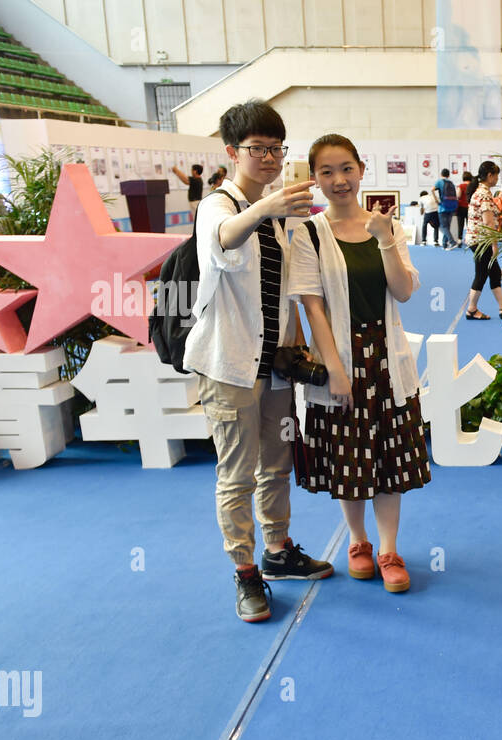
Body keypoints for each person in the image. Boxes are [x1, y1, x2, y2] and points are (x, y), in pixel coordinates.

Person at [182, 99, 333, 623]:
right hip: (227, 366)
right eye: (258, 149)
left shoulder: (278, 213)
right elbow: (225, 240)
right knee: (236, 473)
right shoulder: (218, 208)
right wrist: (266, 209)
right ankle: (246, 575)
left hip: (275, 367)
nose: (269, 158)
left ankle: (278, 550)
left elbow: (292, 289)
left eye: (276, 149)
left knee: (278, 462)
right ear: (232, 152)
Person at [289, 134, 430, 591]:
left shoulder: (387, 226)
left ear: (361, 170)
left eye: (346, 168)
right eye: (327, 172)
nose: (338, 180)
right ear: (315, 179)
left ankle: (389, 549)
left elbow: (404, 291)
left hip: (388, 360)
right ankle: (358, 541)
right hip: (341, 357)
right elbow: (313, 307)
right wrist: (334, 370)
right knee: (349, 457)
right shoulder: (309, 233)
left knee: (390, 457)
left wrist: (385, 239)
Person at [464, 160, 502, 320]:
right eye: (496, 175)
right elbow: (488, 222)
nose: (498, 178)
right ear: (490, 175)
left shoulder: (480, 192)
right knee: (481, 274)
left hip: (477, 239)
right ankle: (471, 309)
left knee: (494, 272)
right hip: (481, 241)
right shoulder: (484, 194)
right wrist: (494, 245)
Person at [433, 168, 459, 248]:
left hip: (443, 207)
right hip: (451, 206)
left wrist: (436, 200)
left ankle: (452, 242)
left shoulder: (439, 182)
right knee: (447, 226)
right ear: (448, 175)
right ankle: (444, 244)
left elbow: (432, 190)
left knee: (444, 226)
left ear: (441, 174)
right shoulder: (451, 183)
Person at [456, 171, 473, 246]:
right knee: (469, 224)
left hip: (461, 207)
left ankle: (459, 239)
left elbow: (458, 196)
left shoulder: (461, 186)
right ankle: (470, 239)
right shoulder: (473, 186)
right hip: (470, 207)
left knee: (460, 224)